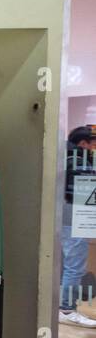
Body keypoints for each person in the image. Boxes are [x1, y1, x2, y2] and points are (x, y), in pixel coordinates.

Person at [61, 125, 96, 327]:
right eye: (92, 144)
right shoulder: (79, 161)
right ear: (83, 143)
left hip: (65, 217)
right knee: (75, 267)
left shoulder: (64, 157)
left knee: (66, 265)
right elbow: (86, 195)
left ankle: (62, 307)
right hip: (76, 218)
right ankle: (67, 308)